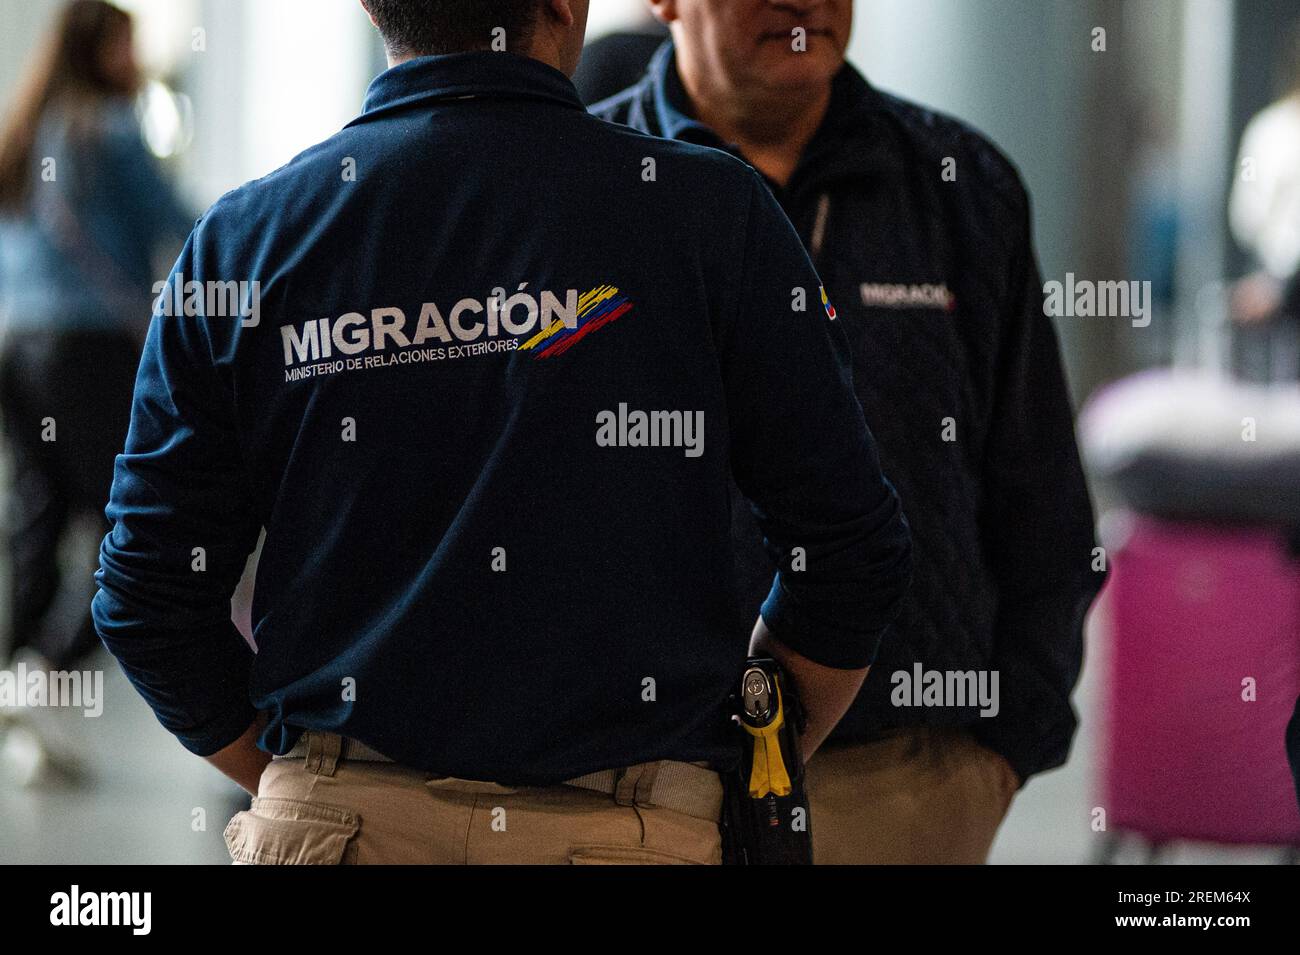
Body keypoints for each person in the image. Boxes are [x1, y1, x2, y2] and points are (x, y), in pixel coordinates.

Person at [92, 0, 912, 865]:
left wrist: (305, 780)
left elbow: (146, 592)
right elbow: (852, 554)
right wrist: (749, 754)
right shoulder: (712, 214)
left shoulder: (242, 243)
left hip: (335, 829)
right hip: (633, 832)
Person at [594, 0, 1104, 864]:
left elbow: (1043, 500)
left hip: (902, 786)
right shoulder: (584, 189)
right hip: (631, 786)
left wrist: (1001, 751)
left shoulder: (960, 185)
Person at [0, 0, 191, 784]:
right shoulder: (108, 132)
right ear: (101, 49)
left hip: (17, 346)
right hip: (86, 348)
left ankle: (21, 681)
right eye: (127, 44)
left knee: (37, 516)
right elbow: (188, 220)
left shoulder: (26, 133)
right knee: (129, 517)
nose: (136, 57)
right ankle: (44, 671)